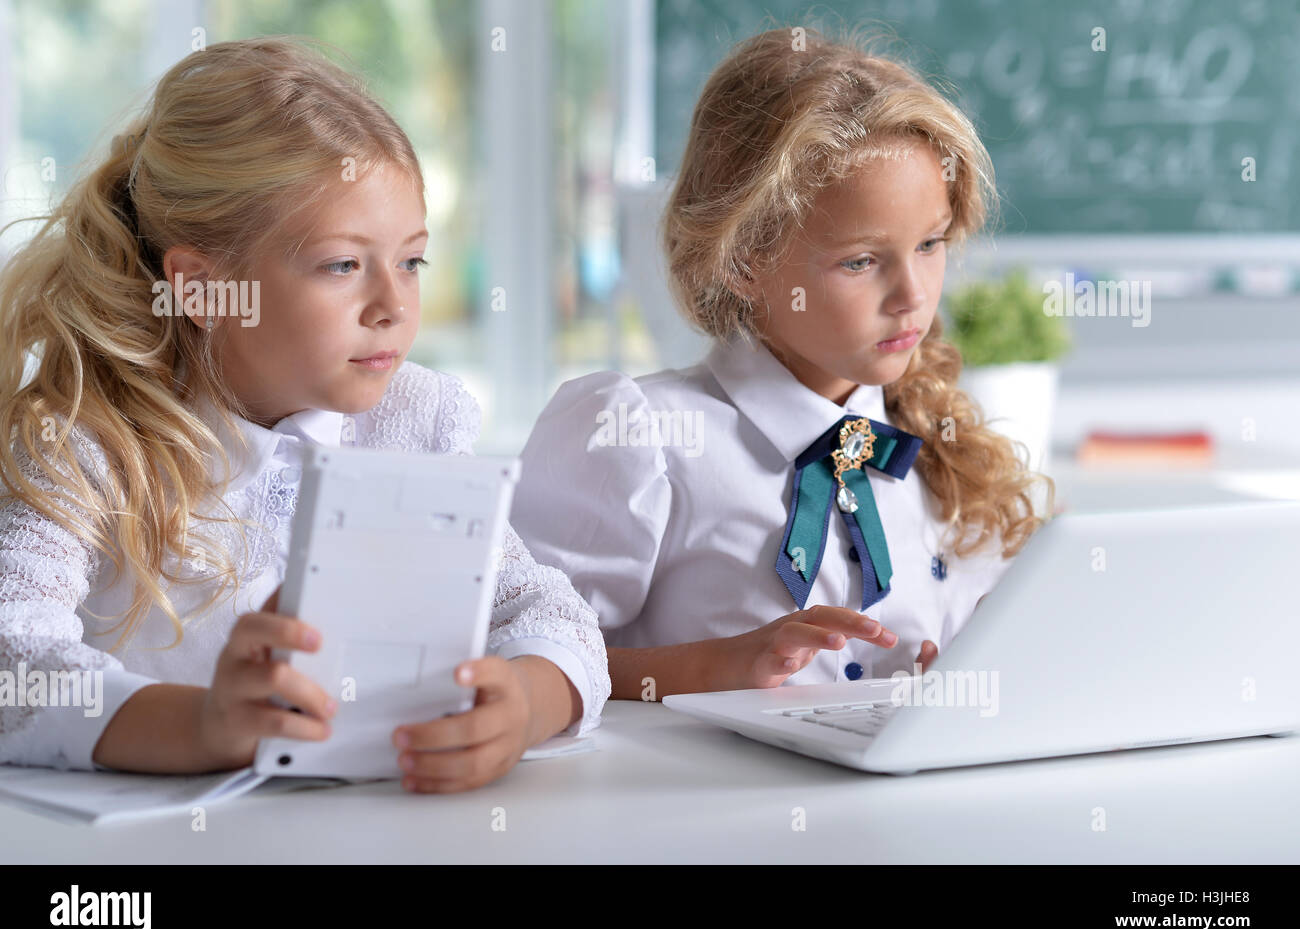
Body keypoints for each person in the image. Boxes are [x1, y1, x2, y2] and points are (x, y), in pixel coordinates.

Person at [0, 37, 609, 793]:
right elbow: (11, 663)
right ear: (202, 288)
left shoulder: (410, 424)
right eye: (343, 265)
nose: (394, 305)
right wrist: (202, 725)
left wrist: (525, 703)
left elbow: (549, 609)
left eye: (411, 261)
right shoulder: (88, 443)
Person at [513, 28, 1055, 701]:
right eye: (861, 261)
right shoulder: (638, 438)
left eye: (929, 245)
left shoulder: (942, 455)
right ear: (743, 260)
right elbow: (519, 659)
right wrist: (714, 668)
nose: (913, 296)